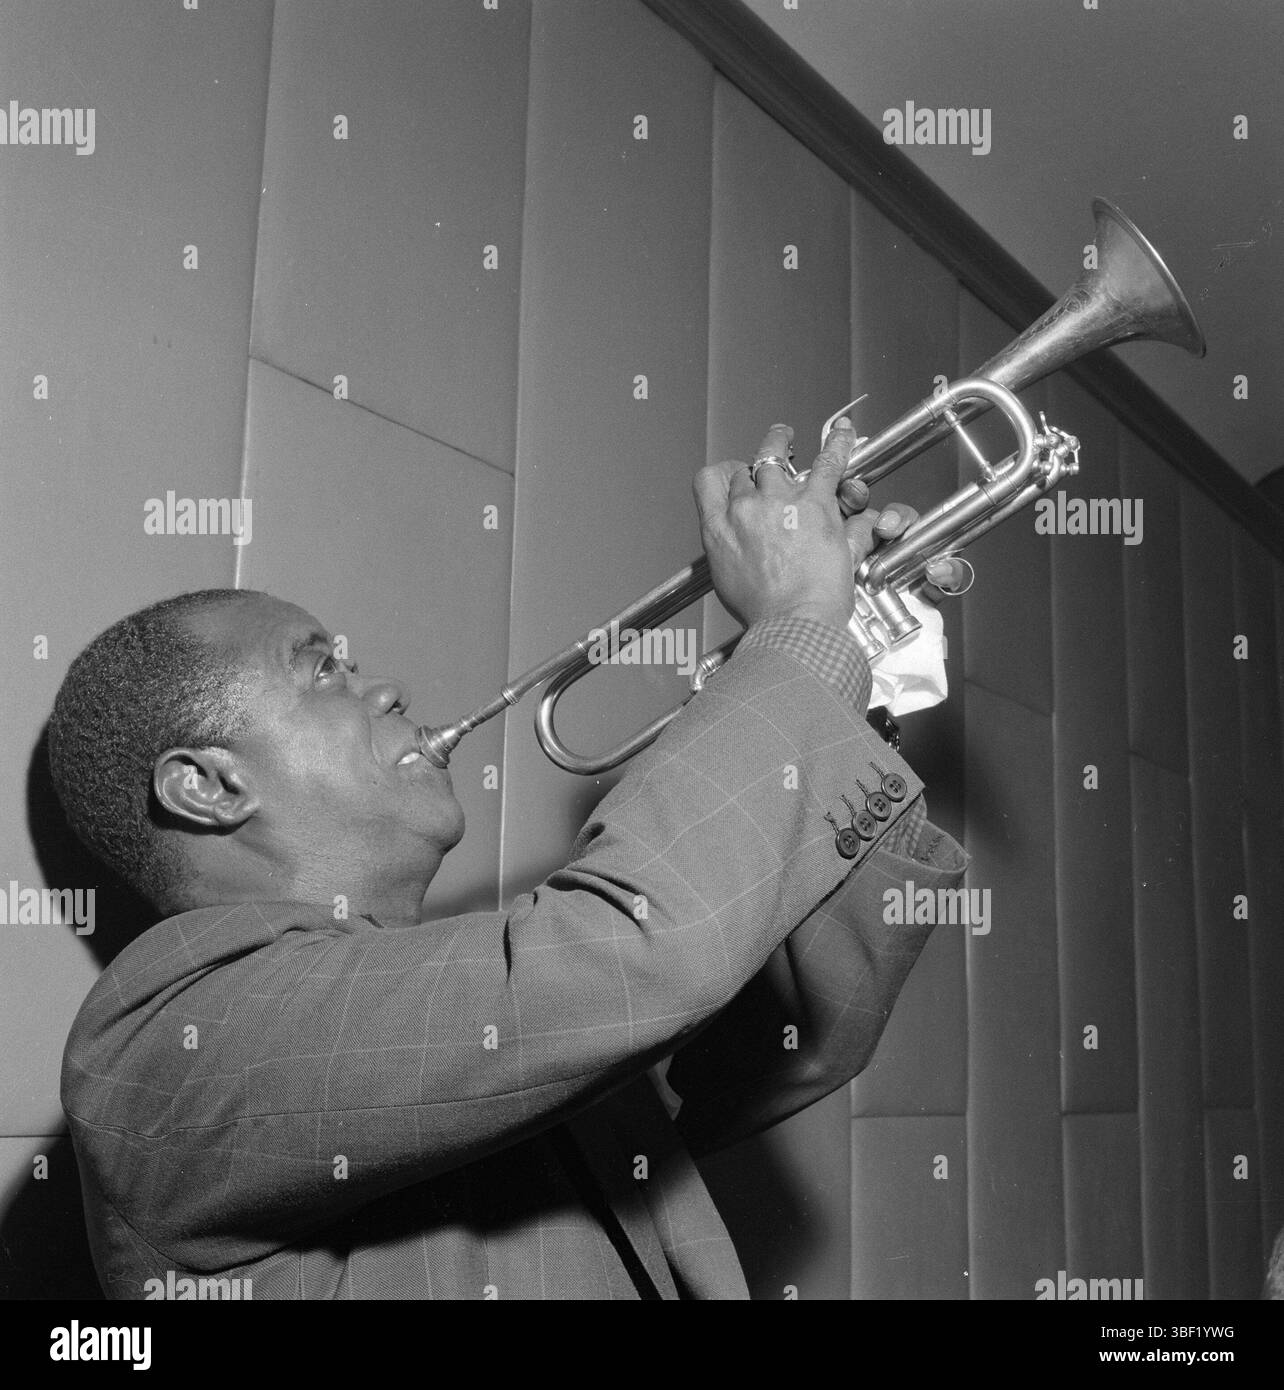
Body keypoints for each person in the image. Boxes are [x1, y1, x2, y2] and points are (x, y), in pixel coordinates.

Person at [51, 419, 967, 1299]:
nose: (386, 685)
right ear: (207, 788)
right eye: (320, 669)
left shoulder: (460, 1009)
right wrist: (798, 627)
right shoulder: (168, 1044)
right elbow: (636, 959)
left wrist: (845, 689)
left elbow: (776, 1052)